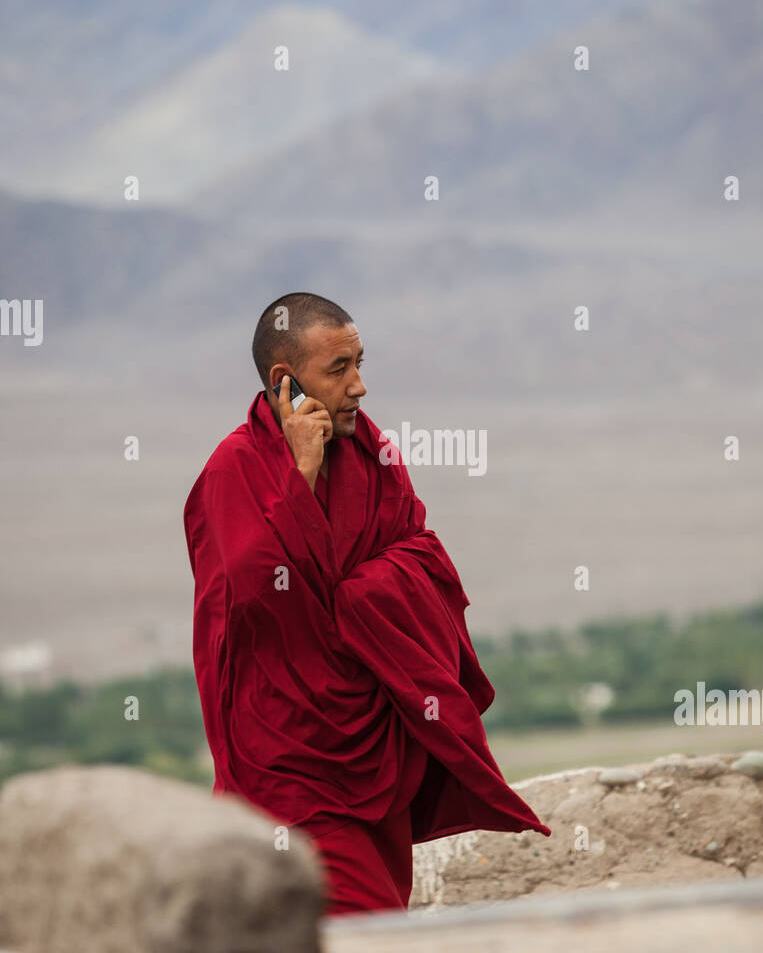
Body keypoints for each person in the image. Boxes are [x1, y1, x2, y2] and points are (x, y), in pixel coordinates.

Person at [183, 291, 550, 916]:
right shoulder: (234, 470)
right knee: (366, 934)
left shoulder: (369, 452)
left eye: (360, 363)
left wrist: (359, 598)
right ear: (285, 382)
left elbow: (424, 556)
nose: (359, 386)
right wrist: (298, 473)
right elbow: (251, 596)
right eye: (339, 369)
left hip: (377, 748)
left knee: (367, 935)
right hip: (291, 764)